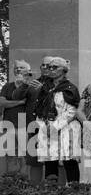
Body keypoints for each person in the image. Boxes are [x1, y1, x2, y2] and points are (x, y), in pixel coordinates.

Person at [33, 56, 85, 186]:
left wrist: (55, 127)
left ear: (63, 70)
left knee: (69, 161)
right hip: (47, 127)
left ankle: (74, 192)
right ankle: (51, 193)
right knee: (50, 160)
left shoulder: (70, 88)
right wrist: (43, 127)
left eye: (54, 67)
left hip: (67, 127)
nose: (51, 69)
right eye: (49, 67)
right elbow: (39, 109)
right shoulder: (45, 88)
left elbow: (72, 111)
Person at [0, 60, 36, 177]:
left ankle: (23, 184)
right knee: (10, 156)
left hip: (24, 124)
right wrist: (19, 102)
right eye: (16, 68)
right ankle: (12, 184)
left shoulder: (31, 87)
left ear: (28, 71)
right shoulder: (7, 86)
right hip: (8, 123)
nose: (18, 69)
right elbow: (2, 103)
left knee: (24, 156)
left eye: (21, 68)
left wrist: (10, 101)